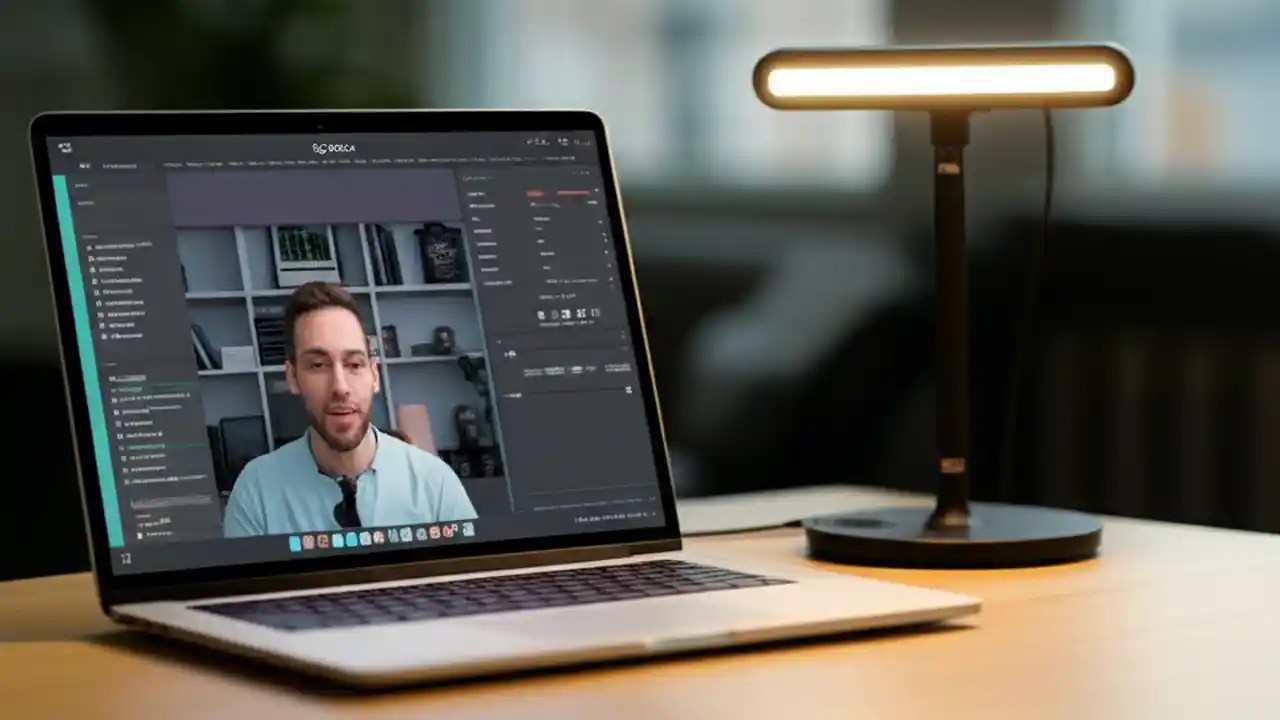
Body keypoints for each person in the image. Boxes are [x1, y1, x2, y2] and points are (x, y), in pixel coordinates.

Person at [223, 281, 476, 537]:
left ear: (374, 375)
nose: (340, 388)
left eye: (354, 364)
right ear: (293, 378)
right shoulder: (256, 491)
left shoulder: (434, 483)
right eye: (318, 365)